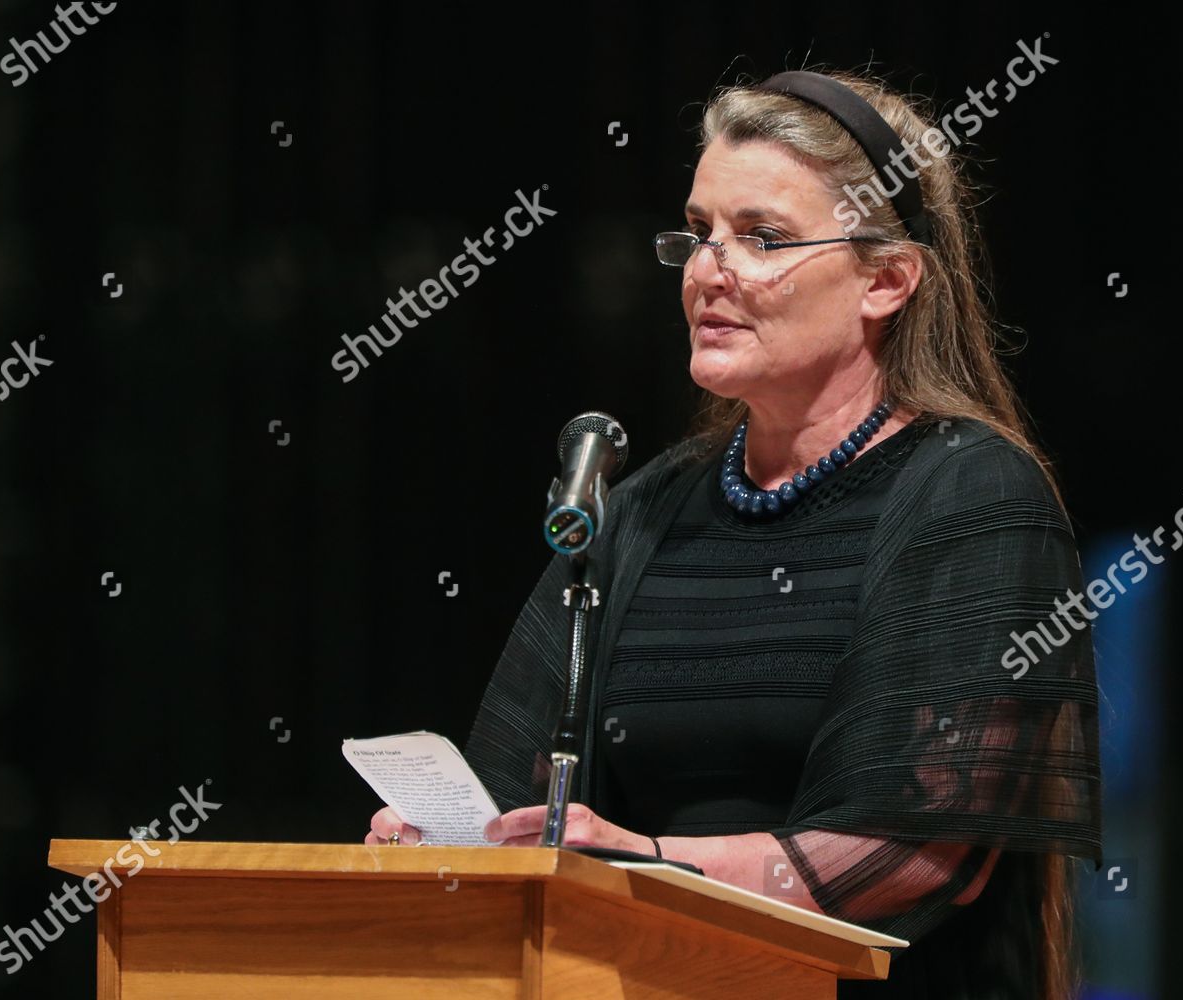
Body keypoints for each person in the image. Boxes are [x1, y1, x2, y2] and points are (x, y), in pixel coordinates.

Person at [367, 66, 1102, 1000]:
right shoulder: (641, 510)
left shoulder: (971, 496)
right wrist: (447, 843)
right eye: (701, 232)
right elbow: (520, 805)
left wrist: (650, 864)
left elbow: (917, 852)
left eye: (762, 238)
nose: (711, 270)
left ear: (885, 279)